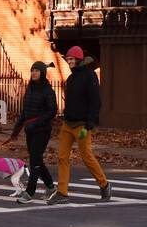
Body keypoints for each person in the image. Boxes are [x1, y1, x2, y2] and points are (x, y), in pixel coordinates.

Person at [47, 46, 110, 203]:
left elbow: (95, 101)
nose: (69, 62)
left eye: (72, 59)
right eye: (68, 59)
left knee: (86, 156)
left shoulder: (90, 76)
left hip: (82, 125)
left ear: (79, 59)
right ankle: (62, 192)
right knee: (62, 157)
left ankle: (104, 184)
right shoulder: (71, 79)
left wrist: (90, 122)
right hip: (68, 124)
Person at [11, 61, 57, 204]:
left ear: (42, 73)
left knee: (34, 160)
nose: (34, 73)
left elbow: (52, 111)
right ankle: (50, 186)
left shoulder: (48, 91)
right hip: (30, 130)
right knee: (36, 159)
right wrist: (16, 130)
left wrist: (36, 123)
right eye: (32, 70)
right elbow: (25, 112)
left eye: (37, 71)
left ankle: (30, 192)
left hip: (42, 130)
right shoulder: (30, 88)